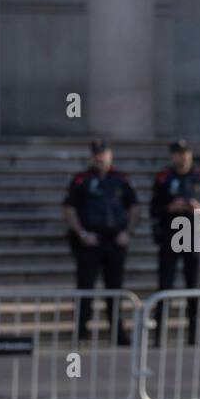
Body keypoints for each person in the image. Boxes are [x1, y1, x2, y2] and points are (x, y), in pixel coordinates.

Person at [63, 140, 137, 344]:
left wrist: (127, 232)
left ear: (110, 155)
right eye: (97, 154)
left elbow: (133, 207)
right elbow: (70, 208)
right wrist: (82, 233)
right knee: (85, 287)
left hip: (114, 240)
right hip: (89, 242)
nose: (100, 157)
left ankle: (117, 333)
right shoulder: (81, 180)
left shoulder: (121, 179)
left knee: (115, 288)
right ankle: (81, 331)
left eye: (103, 153)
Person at [150, 139, 200, 346]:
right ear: (172, 156)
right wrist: (171, 207)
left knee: (193, 286)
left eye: (186, 153)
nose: (183, 157)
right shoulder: (163, 178)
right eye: (178, 153)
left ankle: (194, 335)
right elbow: (153, 209)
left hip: (194, 237)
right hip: (170, 237)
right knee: (165, 286)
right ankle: (159, 336)